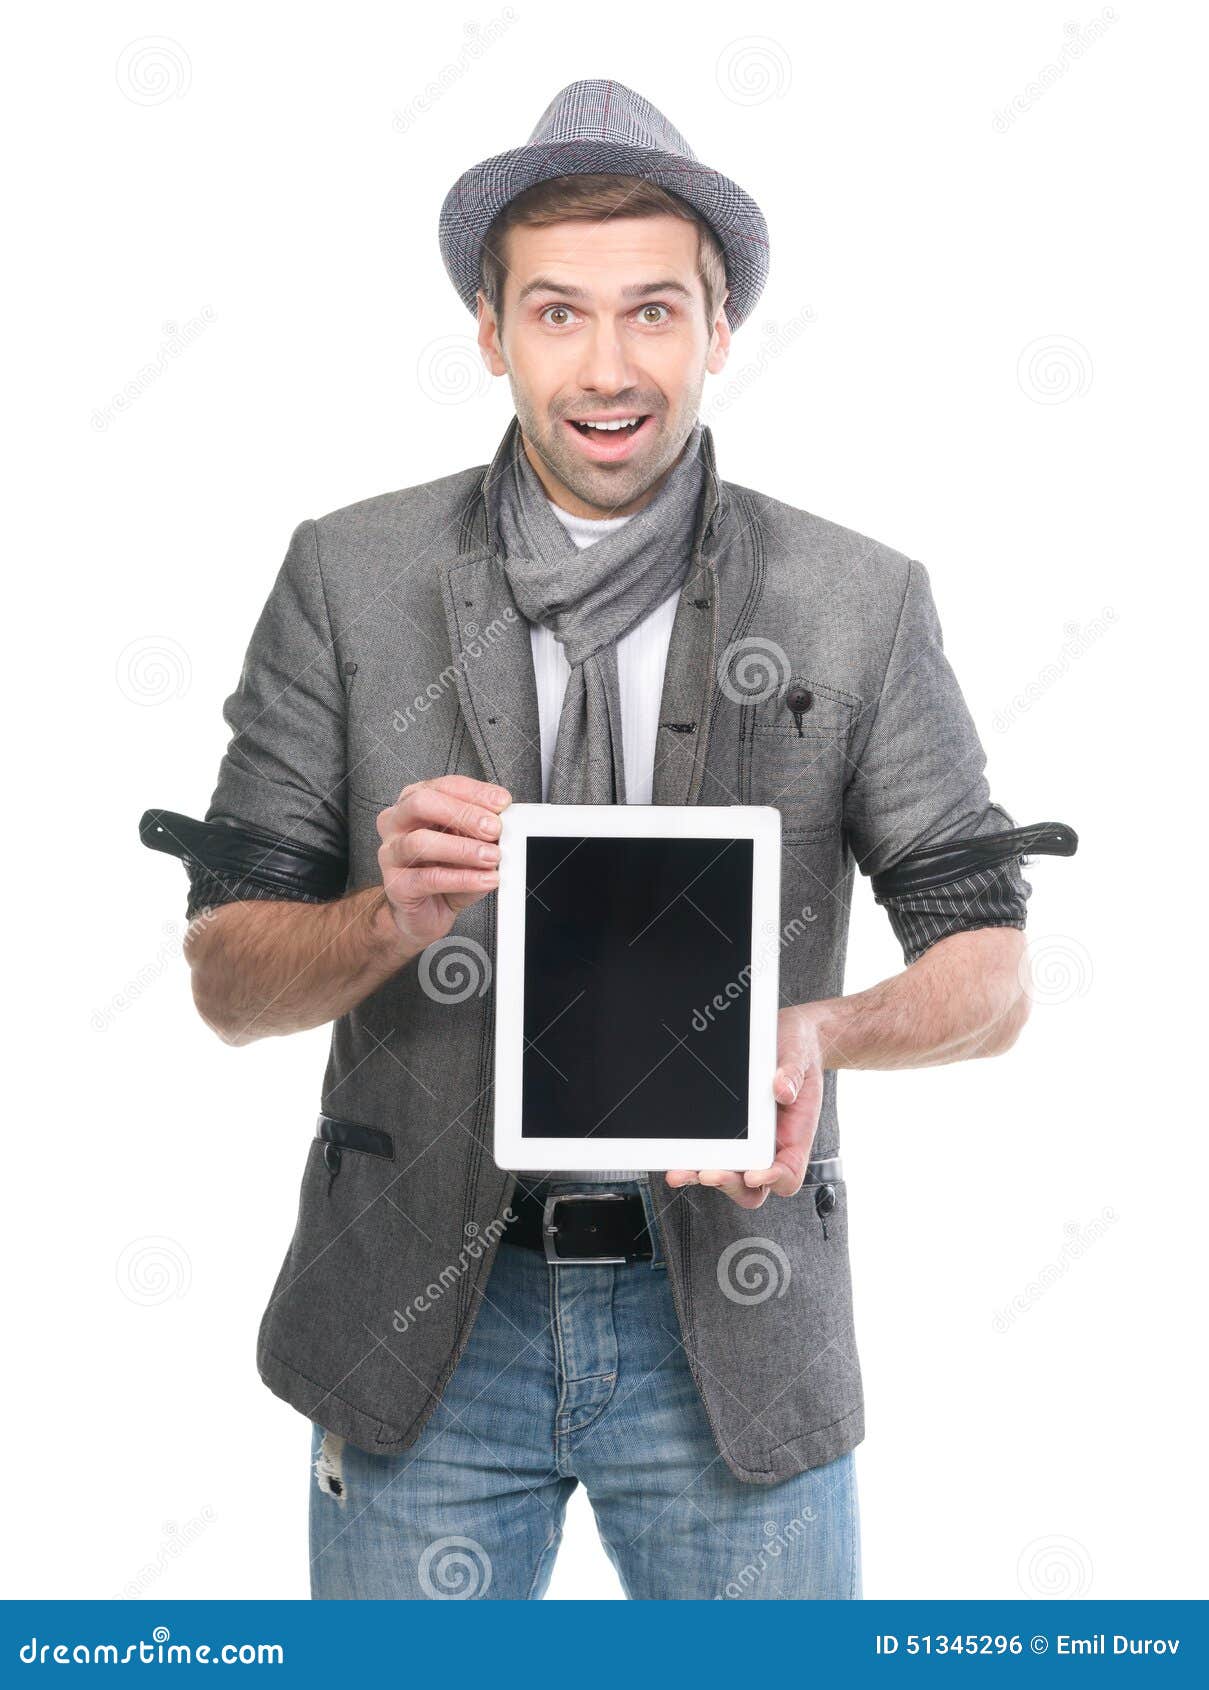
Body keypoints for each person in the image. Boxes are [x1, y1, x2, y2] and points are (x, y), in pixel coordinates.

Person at [140, 78, 1075, 1600]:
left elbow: (992, 964)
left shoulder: (854, 598)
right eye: (558, 314)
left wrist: (813, 1032)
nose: (606, 365)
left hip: (734, 1319)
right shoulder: (347, 578)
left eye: (652, 311)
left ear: (717, 330)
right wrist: (385, 914)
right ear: (491, 332)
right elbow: (225, 980)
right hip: (420, 1327)